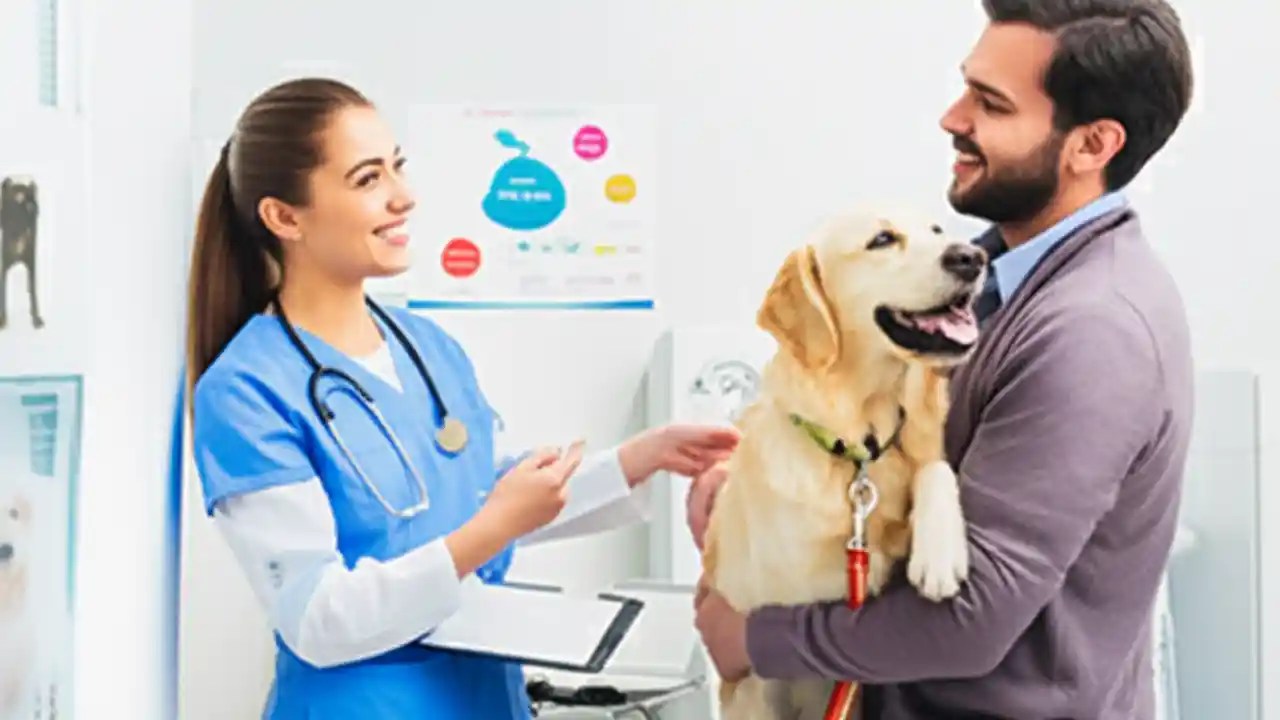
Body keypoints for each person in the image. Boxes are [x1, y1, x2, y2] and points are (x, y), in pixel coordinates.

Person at [692, 1, 1195, 717]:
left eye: (990, 103)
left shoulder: (1092, 332)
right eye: (968, 87)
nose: (953, 117)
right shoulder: (984, 282)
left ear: (1092, 145)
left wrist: (753, 638)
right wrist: (758, 512)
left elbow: (971, 619)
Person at [184, 77, 739, 720]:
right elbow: (318, 616)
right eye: (367, 180)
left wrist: (641, 459)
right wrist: (495, 525)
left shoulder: (427, 348)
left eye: (398, 167)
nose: (403, 197)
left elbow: (478, 498)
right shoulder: (248, 390)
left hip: (482, 697)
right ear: (284, 217)